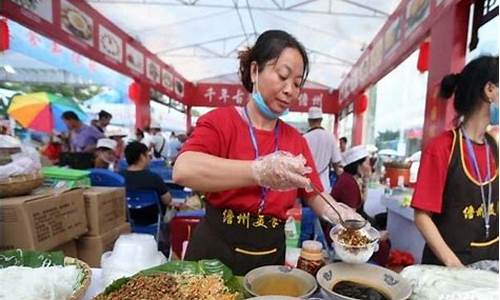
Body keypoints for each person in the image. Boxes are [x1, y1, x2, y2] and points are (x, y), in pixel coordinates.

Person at [173, 30, 361, 275]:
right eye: (283, 76)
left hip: (269, 254)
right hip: (214, 252)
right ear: (254, 71)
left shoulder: (295, 140)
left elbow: (313, 192)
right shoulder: (220, 122)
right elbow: (183, 170)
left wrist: (336, 211)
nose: (290, 90)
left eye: (297, 83)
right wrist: (258, 171)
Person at [412, 55, 498, 267]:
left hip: (490, 266)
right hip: (448, 270)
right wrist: (456, 267)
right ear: (489, 90)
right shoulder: (442, 147)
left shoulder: (494, 146)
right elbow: (422, 215)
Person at [121, 142, 172, 226]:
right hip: (151, 219)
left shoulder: (118, 178)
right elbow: (167, 200)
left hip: (126, 219)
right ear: (142, 157)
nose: (149, 158)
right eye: (148, 155)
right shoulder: (154, 178)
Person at [303, 106, 342, 193]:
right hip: (325, 186)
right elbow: (336, 162)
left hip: (307, 184)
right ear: (321, 120)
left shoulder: (305, 138)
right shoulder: (330, 136)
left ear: (309, 121)